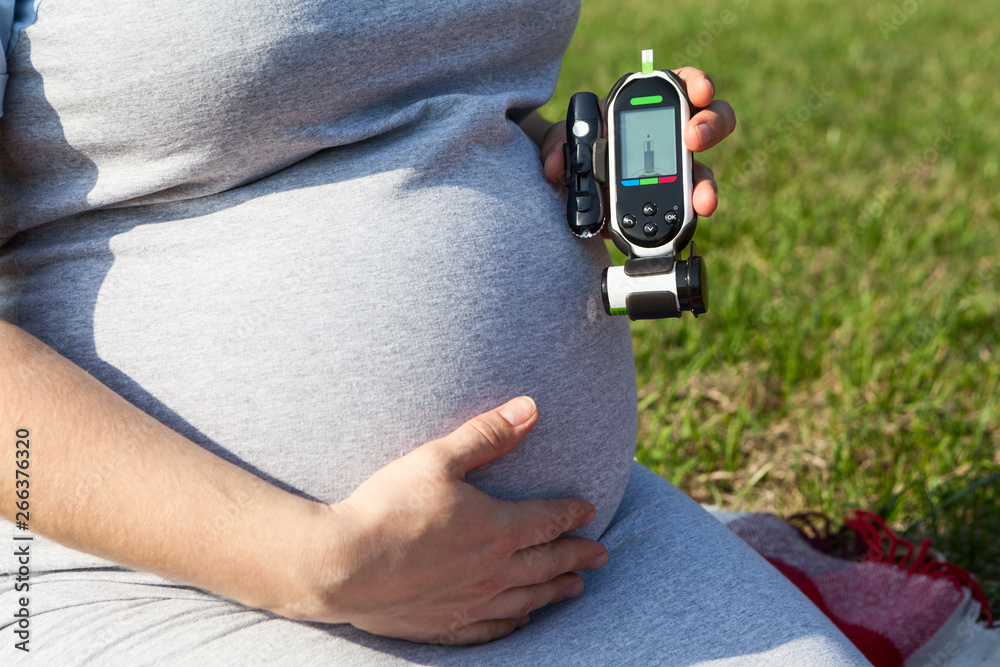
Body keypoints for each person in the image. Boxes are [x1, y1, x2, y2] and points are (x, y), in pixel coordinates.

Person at [0, 0, 870, 663]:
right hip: (140, 564)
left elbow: (420, 91)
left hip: (561, 555)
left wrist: (553, 161)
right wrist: (316, 561)